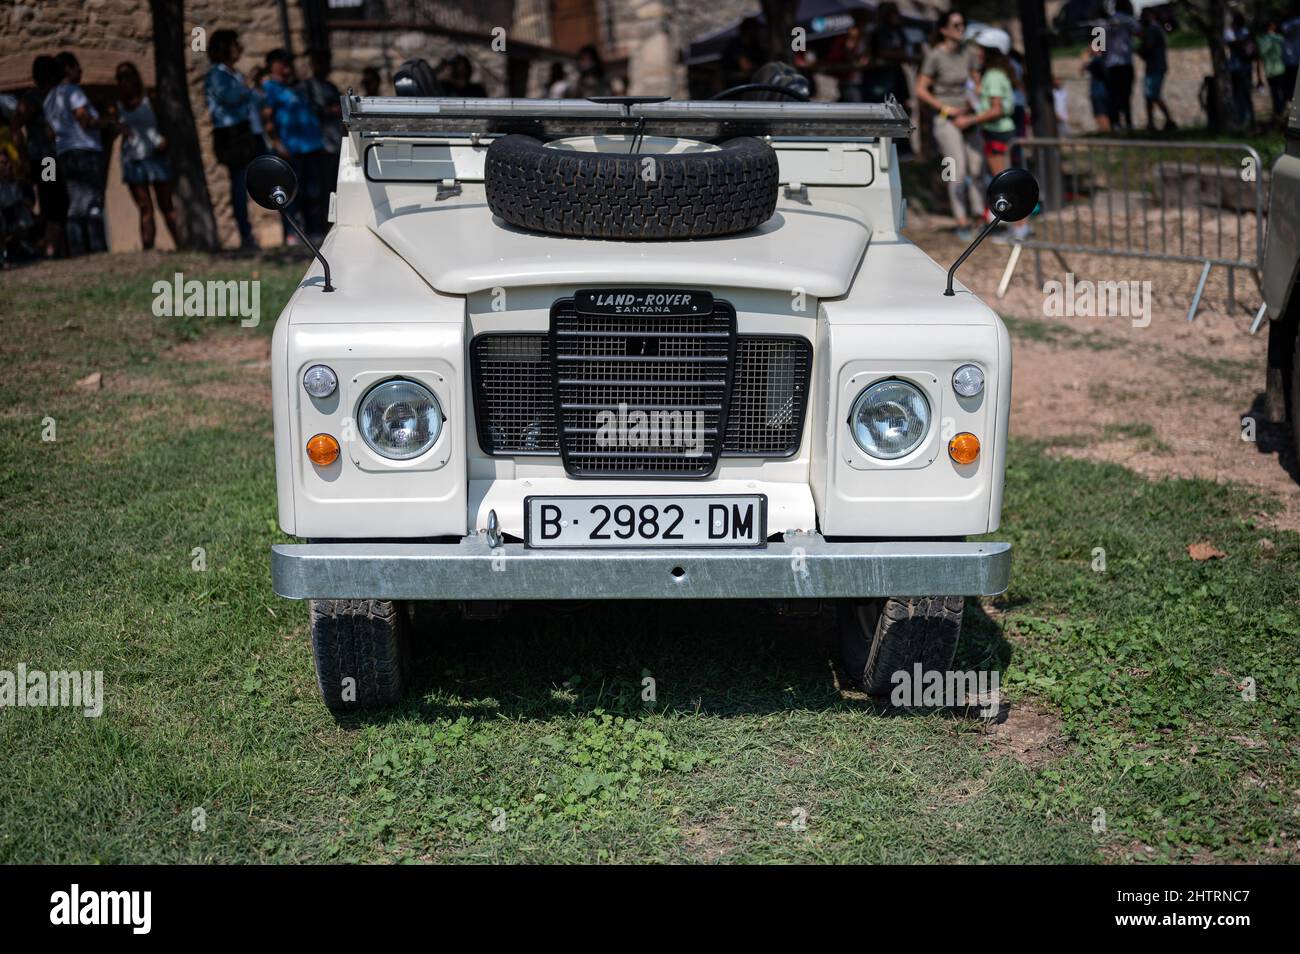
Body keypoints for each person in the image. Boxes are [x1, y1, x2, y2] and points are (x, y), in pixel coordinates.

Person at [915, 9, 982, 240]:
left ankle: (979, 216)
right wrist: (946, 109)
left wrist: (976, 104)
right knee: (957, 169)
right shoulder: (935, 56)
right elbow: (920, 90)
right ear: (944, 30)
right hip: (946, 118)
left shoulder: (969, 53)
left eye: (963, 24)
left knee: (977, 167)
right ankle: (961, 219)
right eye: (955, 25)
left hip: (969, 116)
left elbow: (977, 83)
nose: (960, 29)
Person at [957, 29, 1027, 241]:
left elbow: (996, 110)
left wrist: (969, 120)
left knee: (1006, 184)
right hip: (997, 133)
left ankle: (1019, 229)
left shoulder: (994, 76)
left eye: (982, 49)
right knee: (1006, 182)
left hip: (998, 134)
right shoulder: (995, 74)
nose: (978, 52)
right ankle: (1017, 228)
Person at [45, 52, 110, 256]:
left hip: (64, 154)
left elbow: (50, 132)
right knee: (93, 202)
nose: (80, 71)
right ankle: (97, 248)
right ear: (68, 69)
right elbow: (84, 120)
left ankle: (78, 249)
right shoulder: (73, 92)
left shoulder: (49, 99)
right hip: (85, 150)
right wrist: (107, 122)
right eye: (77, 67)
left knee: (75, 203)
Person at [111, 62, 178, 251]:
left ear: (136, 78)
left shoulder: (151, 100)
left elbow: (168, 124)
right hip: (133, 160)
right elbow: (112, 128)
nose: (124, 81)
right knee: (145, 207)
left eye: (127, 76)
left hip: (156, 157)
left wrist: (166, 141)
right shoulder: (117, 106)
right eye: (120, 78)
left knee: (167, 205)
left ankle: (182, 244)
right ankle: (148, 249)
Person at [260, 49, 327, 240]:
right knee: (291, 194)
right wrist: (277, 144)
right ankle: (292, 234)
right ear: (272, 65)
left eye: (289, 62)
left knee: (312, 192)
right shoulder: (270, 88)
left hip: (310, 146)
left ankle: (314, 231)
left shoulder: (295, 86)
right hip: (291, 148)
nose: (287, 67)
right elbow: (268, 120)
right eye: (282, 63)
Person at [204, 30, 259, 249]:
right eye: (235, 44)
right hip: (230, 134)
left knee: (244, 182)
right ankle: (245, 234)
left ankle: (248, 231)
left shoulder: (233, 74)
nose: (239, 49)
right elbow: (230, 97)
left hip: (244, 131)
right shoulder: (217, 75)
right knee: (238, 183)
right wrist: (248, 85)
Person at [15, 55, 67, 257]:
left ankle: (52, 245)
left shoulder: (55, 96)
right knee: (51, 199)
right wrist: (23, 157)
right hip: (45, 159)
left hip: (57, 157)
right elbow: (16, 125)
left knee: (58, 200)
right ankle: (47, 246)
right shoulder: (33, 97)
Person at [302, 49, 342, 199]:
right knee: (320, 188)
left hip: (334, 143)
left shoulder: (330, 86)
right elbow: (312, 110)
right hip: (319, 144)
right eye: (321, 63)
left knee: (334, 185)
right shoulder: (308, 87)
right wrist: (330, 110)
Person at [1103, 0, 1140, 130]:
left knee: (1113, 94)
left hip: (1110, 64)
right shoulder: (1128, 20)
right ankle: (1128, 122)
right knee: (1126, 94)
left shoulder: (1104, 23)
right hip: (1124, 62)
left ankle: (1115, 123)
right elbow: (1140, 33)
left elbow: (1098, 46)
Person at [1138, 8, 1175, 131]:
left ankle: (1169, 120)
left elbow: (1148, 47)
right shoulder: (1152, 29)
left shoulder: (1153, 29)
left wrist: (1138, 50)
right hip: (1153, 66)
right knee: (1149, 96)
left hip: (1156, 67)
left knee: (1153, 95)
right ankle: (1151, 123)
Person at [826, 11, 872, 102]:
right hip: (848, 81)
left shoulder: (864, 40)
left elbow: (866, 57)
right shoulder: (842, 42)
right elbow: (837, 59)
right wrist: (849, 47)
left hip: (861, 80)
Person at [1224, 12, 1256, 128]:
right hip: (1235, 68)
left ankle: (1249, 118)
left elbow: (1248, 49)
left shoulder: (1245, 32)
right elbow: (1231, 43)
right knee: (1237, 94)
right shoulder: (1233, 32)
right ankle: (1241, 119)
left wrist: (1241, 42)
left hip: (1244, 67)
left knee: (1246, 93)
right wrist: (1243, 41)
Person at [721, 17, 766, 91]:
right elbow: (746, 67)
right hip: (734, 87)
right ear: (748, 30)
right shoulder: (735, 44)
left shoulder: (756, 47)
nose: (758, 32)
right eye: (755, 29)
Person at [1258, 20, 1289, 122]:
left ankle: (1278, 114)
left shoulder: (1263, 40)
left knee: (1275, 94)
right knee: (1283, 93)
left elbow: (1260, 55)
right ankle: (1282, 113)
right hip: (1281, 68)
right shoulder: (1280, 38)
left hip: (1270, 71)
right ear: (1274, 27)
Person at [1083, 48, 1111, 133]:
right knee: (1103, 112)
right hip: (1102, 90)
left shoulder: (1097, 61)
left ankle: (1104, 131)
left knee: (1100, 113)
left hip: (1098, 91)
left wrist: (1084, 57)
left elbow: (1082, 69)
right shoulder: (1105, 59)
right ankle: (1105, 131)